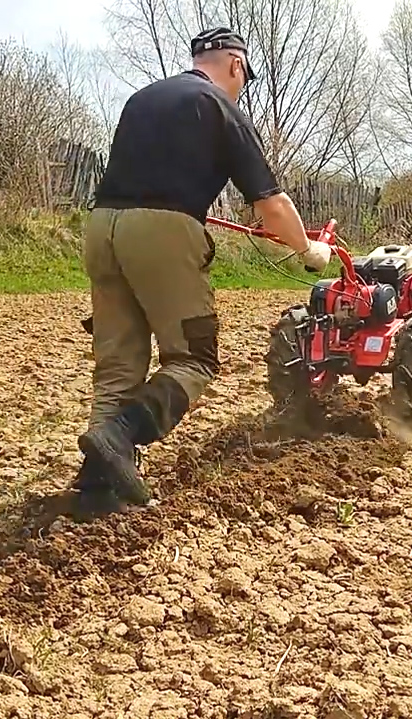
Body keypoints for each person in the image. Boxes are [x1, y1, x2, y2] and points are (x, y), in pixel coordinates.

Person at [71, 26, 331, 512]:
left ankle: (97, 484)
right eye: (245, 77)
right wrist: (307, 248)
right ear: (235, 65)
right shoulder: (220, 106)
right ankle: (123, 433)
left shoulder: (141, 99)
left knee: (118, 365)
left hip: (100, 228)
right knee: (194, 358)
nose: (242, 85)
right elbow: (270, 203)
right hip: (162, 235)